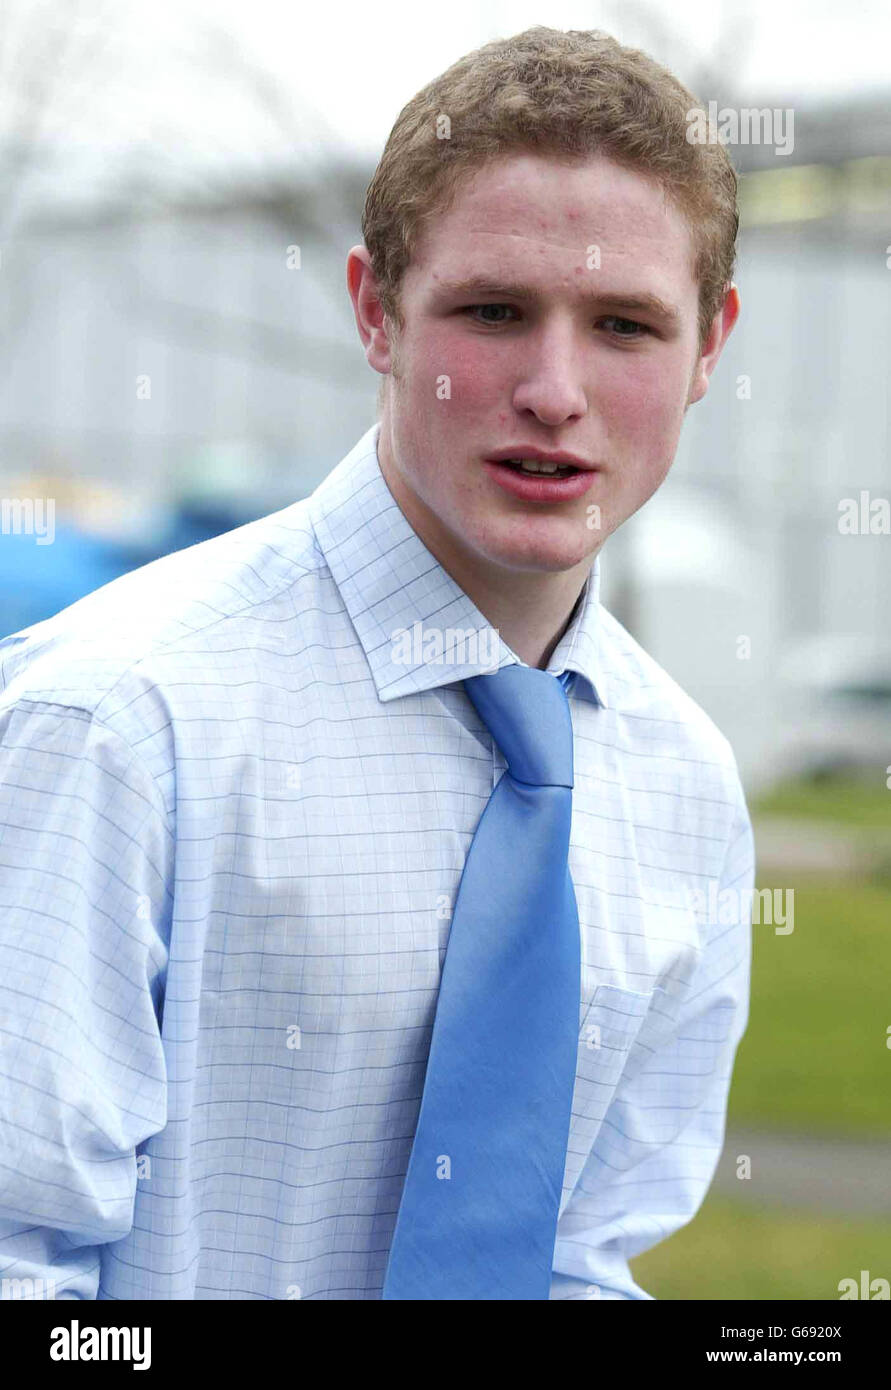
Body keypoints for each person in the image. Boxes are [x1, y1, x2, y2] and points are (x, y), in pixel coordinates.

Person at [0, 25, 751, 1301]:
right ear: (375, 311)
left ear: (709, 350)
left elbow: (585, 1259)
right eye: (495, 312)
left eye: (626, 324)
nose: (556, 390)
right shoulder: (118, 724)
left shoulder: (685, 785)